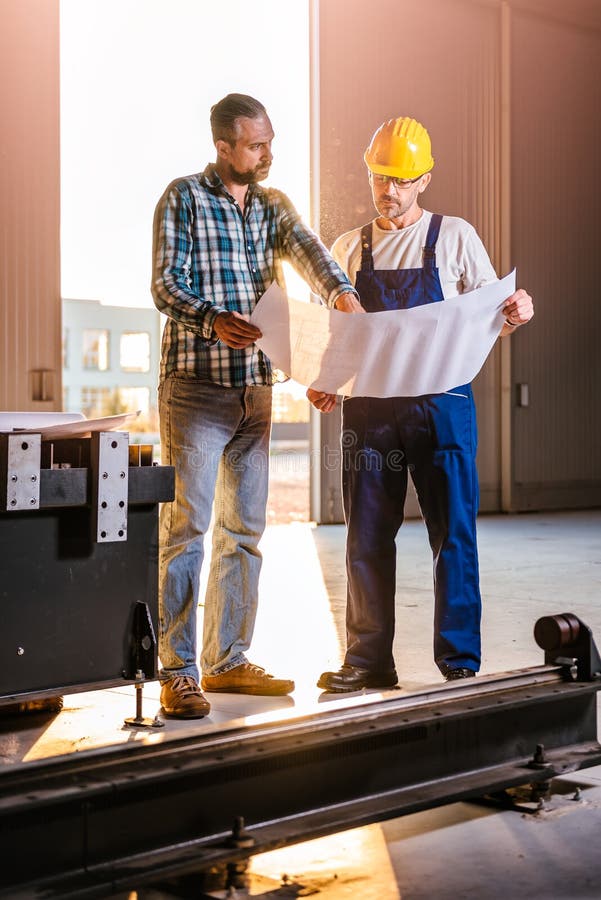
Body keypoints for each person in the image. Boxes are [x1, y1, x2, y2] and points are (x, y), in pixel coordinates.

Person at [151, 93, 360, 718]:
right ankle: (179, 671)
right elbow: (165, 282)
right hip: (195, 387)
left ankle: (227, 661)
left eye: (270, 142)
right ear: (224, 146)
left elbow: (311, 252)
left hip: (256, 391)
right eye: (255, 145)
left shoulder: (273, 205)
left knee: (244, 531)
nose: (267, 153)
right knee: (187, 530)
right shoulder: (183, 198)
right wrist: (213, 319)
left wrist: (342, 294)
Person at [309, 117, 534, 692]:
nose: (387, 190)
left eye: (401, 180)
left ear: (424, 179)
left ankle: (459, 661)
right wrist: (325, 379)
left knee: (453, 533)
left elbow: (492, 316)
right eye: (379, 176)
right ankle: (367, 662)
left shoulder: (455, 237)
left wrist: (515, 313)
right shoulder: (346, 248)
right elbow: (334, 337)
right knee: (364, 536)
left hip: (442, 408)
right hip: (370, 413)